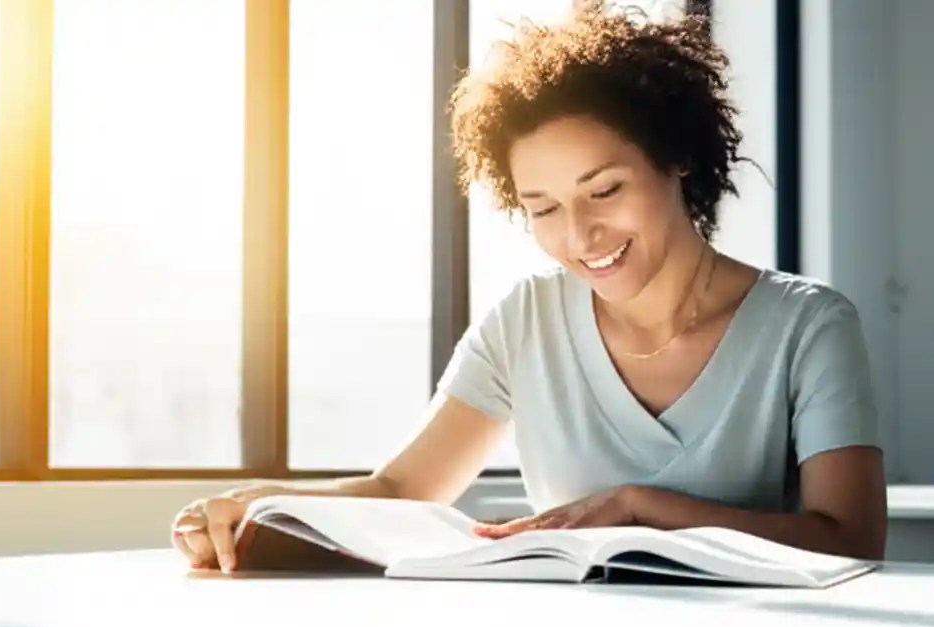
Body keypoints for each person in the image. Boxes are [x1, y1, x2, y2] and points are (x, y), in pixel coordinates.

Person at [172, 5, 885, 573]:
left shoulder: (808, 326)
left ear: (680, 160)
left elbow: (851, 539)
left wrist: (640, 506)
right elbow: (398, 493)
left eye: (604, 190)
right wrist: (260, 503)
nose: (580, 236)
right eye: (543, 209)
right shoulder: (527, 320)